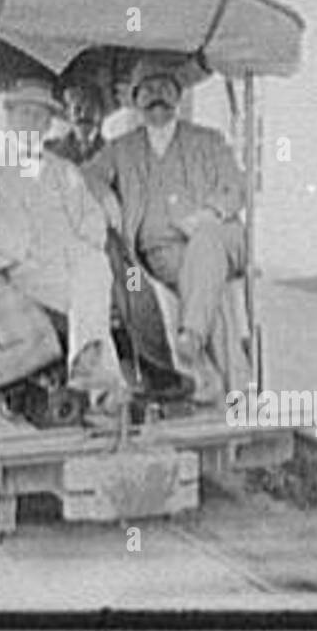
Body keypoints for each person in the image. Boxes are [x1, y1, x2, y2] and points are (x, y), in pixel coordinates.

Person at [84, 55, 245, 402]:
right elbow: (85, 176)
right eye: (148, 90)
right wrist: (106, 198)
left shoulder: (209, 140)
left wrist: (209, 212)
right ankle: (232, 388)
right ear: (136, 100)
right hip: (161, 254)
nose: (157, 96)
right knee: (206, 286)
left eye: (165, 88)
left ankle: (192, 340)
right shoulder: (121, 149)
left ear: (178, 95)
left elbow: (235, 187)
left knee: (206, 247)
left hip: (215, 236)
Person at [0, 79, 125, 403]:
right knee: (91, 294)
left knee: (95, 267)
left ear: (47, 124)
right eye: (24, 114)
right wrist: (31, 251)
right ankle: (101, 385)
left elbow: (90, 216)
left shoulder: (63, 170)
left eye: (39, 117)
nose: (32, 123)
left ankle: (92, 375)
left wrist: (83, 244)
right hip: (27, 267)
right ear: (10, 119)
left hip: (73, 260)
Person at [46, 81, 106, 167]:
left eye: (90, 109)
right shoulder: (54, 154)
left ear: (101, 112)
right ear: (67, 114)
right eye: (77, 109)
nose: (83, 115)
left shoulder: (115, 149)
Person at [100, 72, 143, 143]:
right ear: (117, 96)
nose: (125, 96)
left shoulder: (145, 117)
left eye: (127, 91)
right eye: (121, 92)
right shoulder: (109, 122)